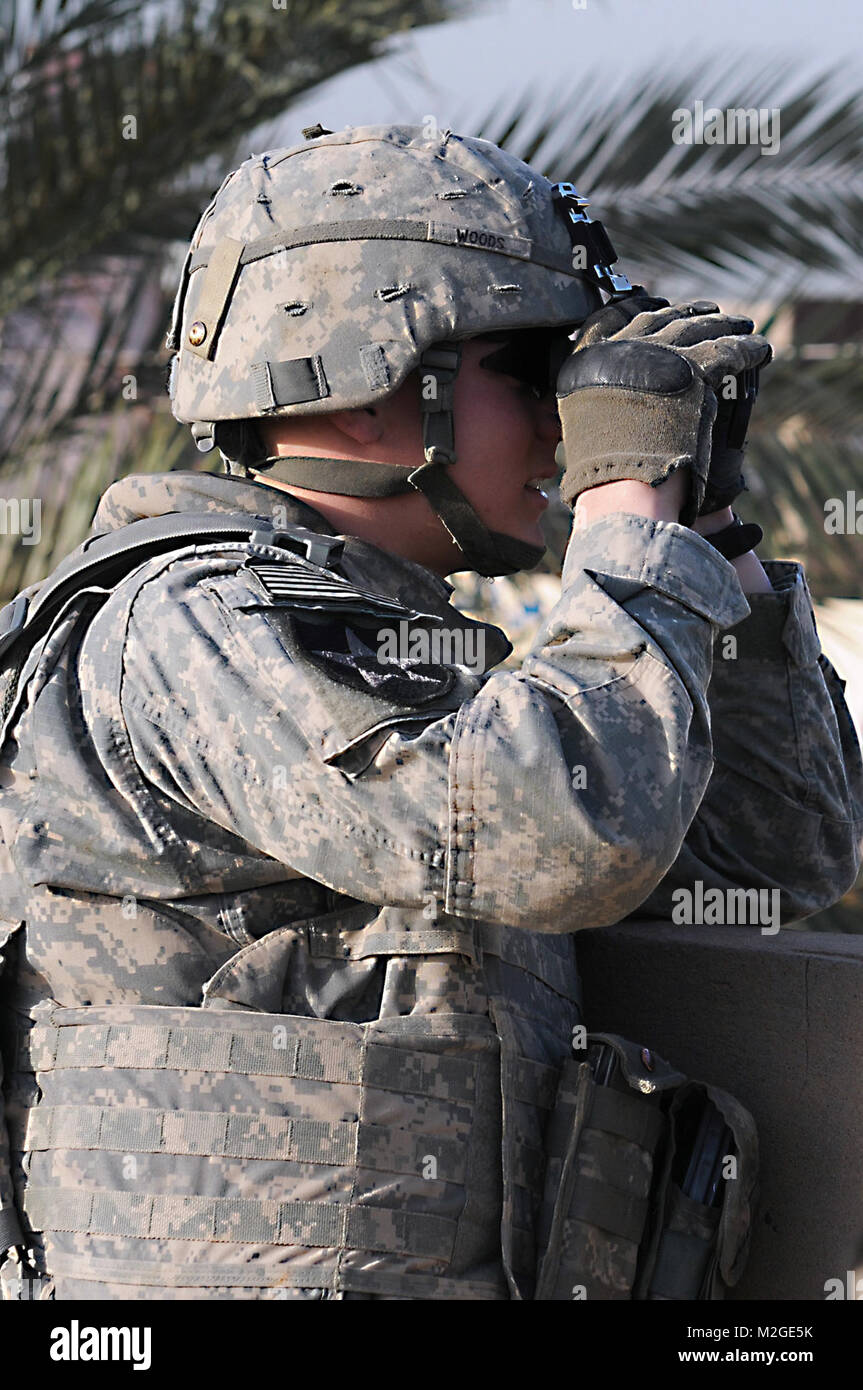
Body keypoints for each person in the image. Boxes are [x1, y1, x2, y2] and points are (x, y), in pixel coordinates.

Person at [0, 124, 859, 1301]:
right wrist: (625, 527)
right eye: (538, 377)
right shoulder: (194, 620)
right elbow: (569, 840)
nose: (569, 434)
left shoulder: (419, 654)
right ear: (364, 391)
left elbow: (776, 852)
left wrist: (704, 544)